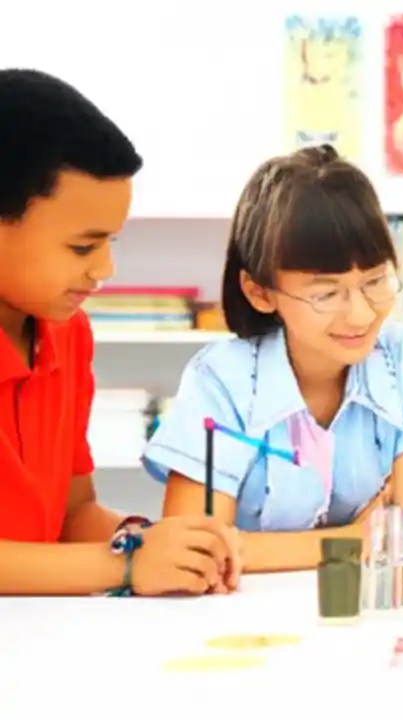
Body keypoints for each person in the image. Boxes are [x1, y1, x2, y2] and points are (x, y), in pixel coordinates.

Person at [142, 145, 403, 573]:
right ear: (260, 292)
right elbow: (194, 555)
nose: (360, 314)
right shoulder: (221, 379)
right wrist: (352, 538)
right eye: (326, 294)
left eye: (375, 281)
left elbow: (401, 536)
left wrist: (255, 549)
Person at [0, 69, 239, 596]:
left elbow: (74, 514)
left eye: (111, 242)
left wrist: (155, 541)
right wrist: (126, 566)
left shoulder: (68, 334)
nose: (105, 269)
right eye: (83, 247)